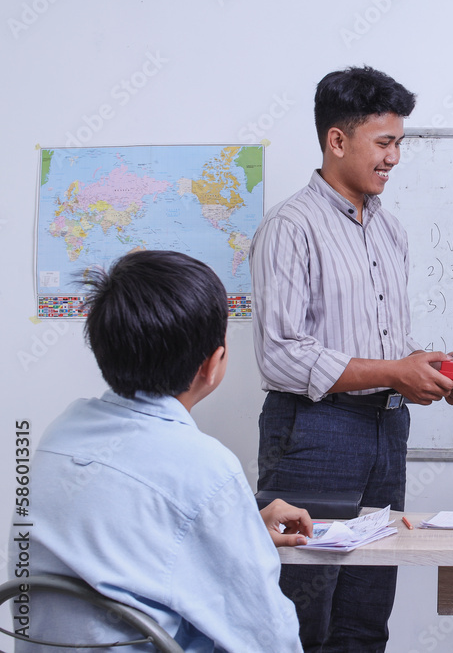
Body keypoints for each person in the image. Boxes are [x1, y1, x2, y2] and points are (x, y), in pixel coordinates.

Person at [249, 66, 453, 652]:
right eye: (385, 142)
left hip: (386, 429)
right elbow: (281, 354)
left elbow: (382, 348)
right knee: (302, 612)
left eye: (400, 143)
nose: (395, 158)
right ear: (337, 141)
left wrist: (418, 367)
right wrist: (395, 370)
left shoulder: (392, 232)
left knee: (367, 612)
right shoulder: (290, 227)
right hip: (315, 432)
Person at [17, 250, 309, 652]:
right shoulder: (205, 467)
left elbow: (126, 540)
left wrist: (241, 531)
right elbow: (268, 638)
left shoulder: (60, 435)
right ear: (213, 364)